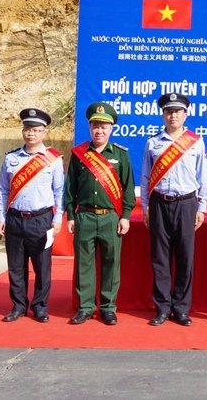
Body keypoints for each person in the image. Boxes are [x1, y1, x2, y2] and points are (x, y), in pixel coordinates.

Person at [64, 102, 136, 325]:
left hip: (110, 218)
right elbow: (70, 189)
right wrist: (70, 215)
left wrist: (125, 215)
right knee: (83, 264)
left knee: (110, 263)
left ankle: (107, 307)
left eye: (104, 126)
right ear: (90, 127)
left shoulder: (121, 155)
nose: (99, 130)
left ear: (111, 128)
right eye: (95, 125)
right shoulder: (79, 155)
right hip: (84, 216)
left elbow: (128, 189)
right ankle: (85, 307)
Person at [141, 93, 207, 327]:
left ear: (185, 114)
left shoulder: (196, 142)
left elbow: (203, 178)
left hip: (187, 203)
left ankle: (180, 308)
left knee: (185, 257)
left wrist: (202, 207)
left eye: (177, 111)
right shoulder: (153, 143)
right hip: (159, 203)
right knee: (159, 258)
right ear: (163, 115)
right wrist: (145, 208)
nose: (173, 115)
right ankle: (162, 308)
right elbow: (146, 177)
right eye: (169, 111)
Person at [0, 108, 65, 323]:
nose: (31, 134)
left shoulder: (52, 160)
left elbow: (60, 191)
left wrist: (58, 218)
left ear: (44, 132)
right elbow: (2, 190)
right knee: (16, 266)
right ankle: (18, 305)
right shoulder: (11, 158)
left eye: (36, 130)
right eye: (27, 129)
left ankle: (40, 306)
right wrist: (1, 217)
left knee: (42, 267)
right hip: (15, 218)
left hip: (42, 219)